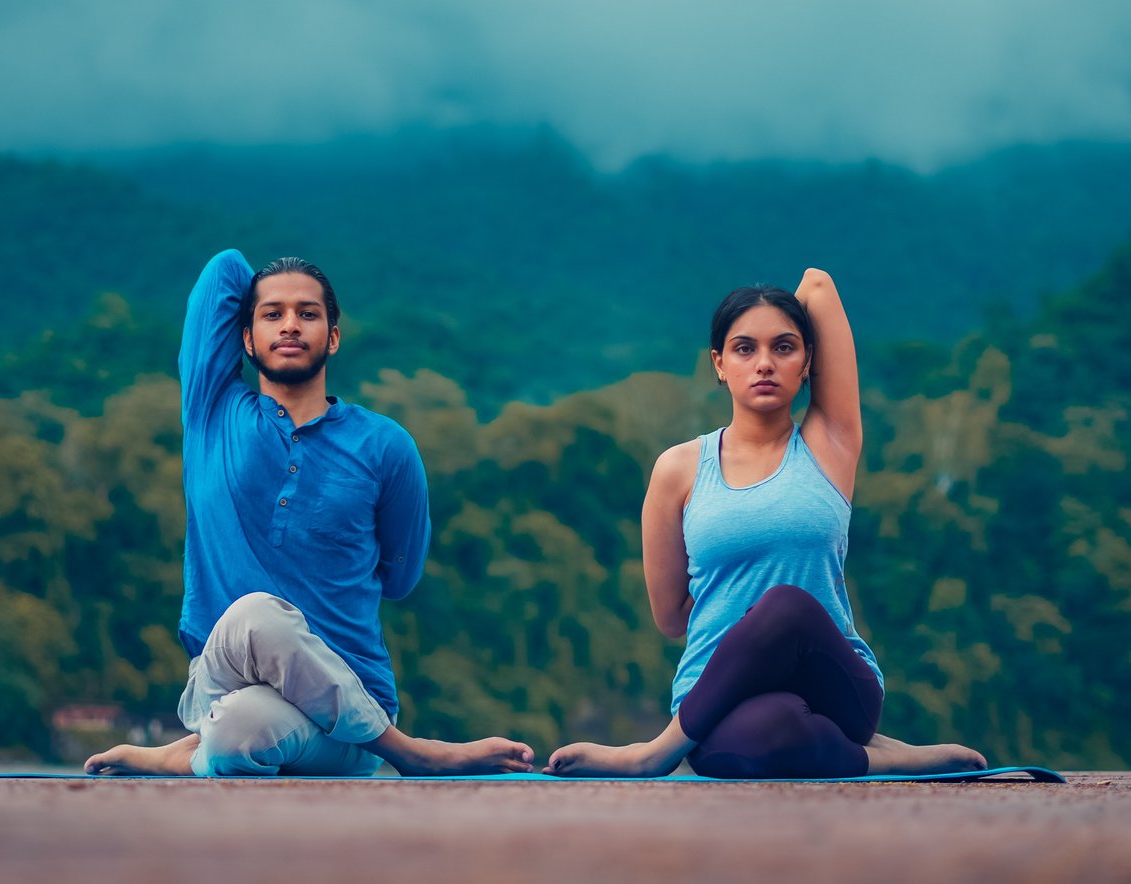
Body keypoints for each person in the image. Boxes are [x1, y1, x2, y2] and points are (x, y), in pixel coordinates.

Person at [86, 250, 534, 776]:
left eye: (309, 313)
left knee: (235, 736)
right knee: (255, 617)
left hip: (350, 718)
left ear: (334, 336)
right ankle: (412, 753)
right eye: (272, 314)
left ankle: (186, 754)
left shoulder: (385, 446)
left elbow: (400, 577)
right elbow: (225, 270)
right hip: (230, 674)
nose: (291, 325)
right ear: (245, 339)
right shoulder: (214, 412)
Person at [545, 268, 987, 779]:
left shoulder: (830, 445)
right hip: (717, 706)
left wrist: (773, 307)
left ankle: (655, 752)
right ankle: (882, 756)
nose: (764, 364)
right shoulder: (678, 470)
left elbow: (818, 285)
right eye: (744, 349)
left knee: (786, 605)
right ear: (719, 364)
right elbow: (671, 618)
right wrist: (750, 644)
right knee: (772, 736)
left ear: (808, 363)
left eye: (783, 347)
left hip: (836, 687)